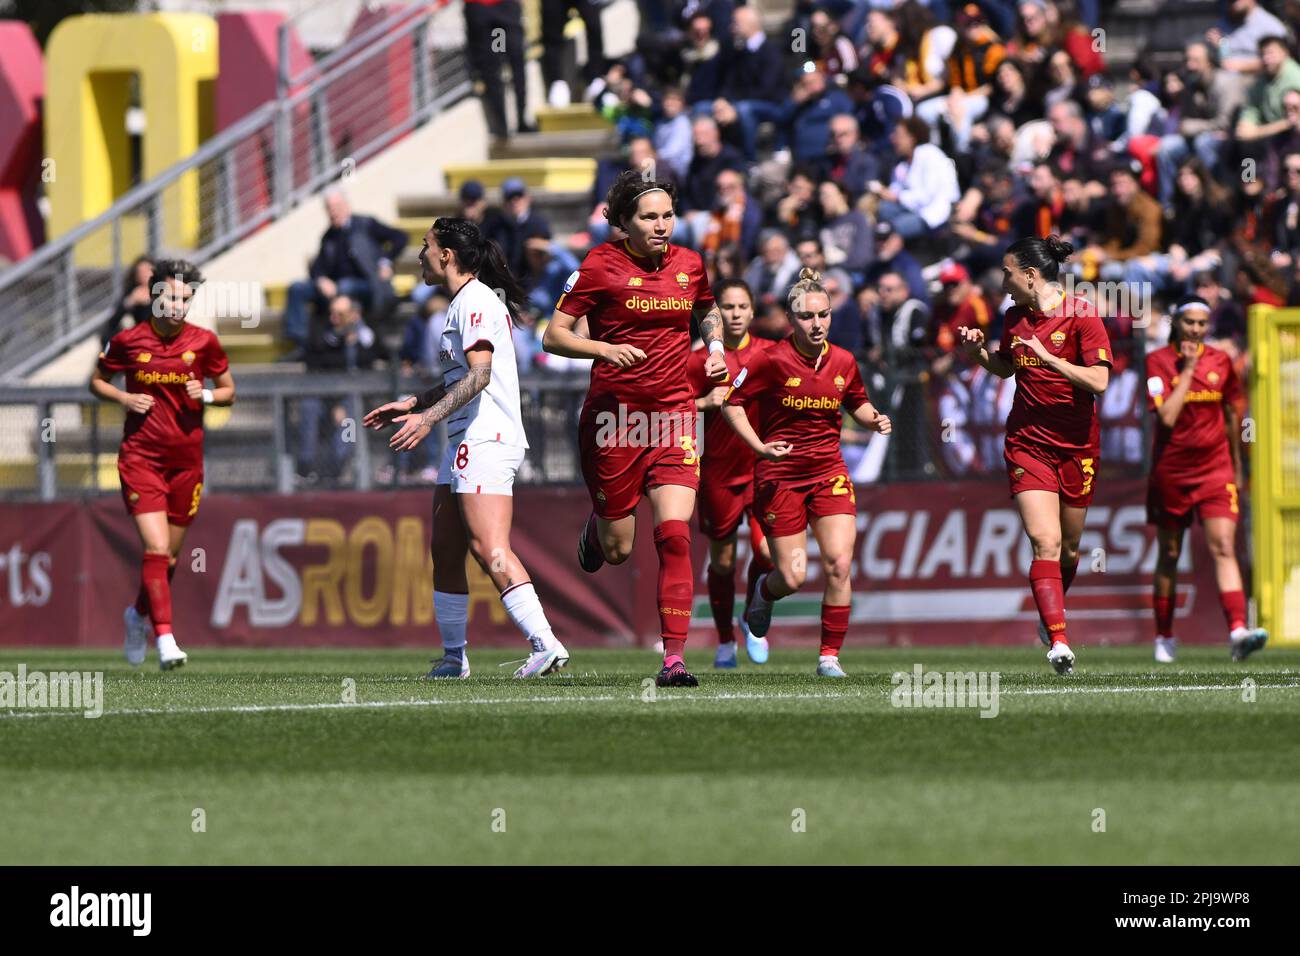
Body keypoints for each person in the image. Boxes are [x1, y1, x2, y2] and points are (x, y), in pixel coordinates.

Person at [542, 169, 729, 687]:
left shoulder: (691, 264)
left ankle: (673, 660)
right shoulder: (600, 265)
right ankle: (597, 532)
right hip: (614, 422)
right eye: (650, 217)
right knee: (620, 546)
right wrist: (603, 348)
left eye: (668, 215)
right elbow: (551, 336)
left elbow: (708, 310)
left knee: (674, 535)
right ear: (623, 222)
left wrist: (714, 350)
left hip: (674, 416)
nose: (662, 225)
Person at [363, 218, 568, 679]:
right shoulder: (461, 304)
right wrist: (414, 401)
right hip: (462, 439)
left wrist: (426, 418)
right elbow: (461, 376)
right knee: (446, 546)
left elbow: (480, 375)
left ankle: (546, 644)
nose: (420, 255)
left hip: (486, 438)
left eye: (425, 246)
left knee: (488, 546)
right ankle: (454, 658)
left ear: (446, 255)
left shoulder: (474, 301)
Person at [722, 268, 892, 677]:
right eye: (807, 317)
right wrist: (759, 446)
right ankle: (762, 593)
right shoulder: (770, 359)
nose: (817, 324)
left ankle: (829, 657)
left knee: (838, 564)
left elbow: (857, 402)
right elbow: (732, 403)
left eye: (824, 315)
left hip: (829, 471)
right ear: (790, 319)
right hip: (781, 477)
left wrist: (873, 420)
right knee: (793, 576)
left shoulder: (844, 360)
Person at [956, 235, 1111, 675]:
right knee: (1044, 540)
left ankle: (1053, 608)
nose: (1002, 282)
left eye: (1007, 273)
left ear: (1030, 274)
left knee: (1069, 548)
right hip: (1027, 442)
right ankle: (1059, 641)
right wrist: (978, 355)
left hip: (1078, 446)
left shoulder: (1083, 317)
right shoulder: (1013, 317)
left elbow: (1099, 382)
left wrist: (1050, 357)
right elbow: (1009, 365)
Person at [89, 259, 235, 670]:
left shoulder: (204, 342)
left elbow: (228, 391)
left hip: (186, 463)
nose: (177, 304)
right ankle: (165, 639)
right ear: (154, 295)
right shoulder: (128, 340)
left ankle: (136, 616)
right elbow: (97, 380)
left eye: (185, 298)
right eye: (170, 296)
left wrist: (204, 395)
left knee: (167, 559)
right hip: (141, 458)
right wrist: (124, 398)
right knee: (154, 548)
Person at [1145, 297, 1268, 662]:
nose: (1196, 330)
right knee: (1169, 554)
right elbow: (1166, 416)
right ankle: (1164, 635)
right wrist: (1189, 370)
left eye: (1202, 324)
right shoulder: (1157, 362)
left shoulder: (1222, 361)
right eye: (1190, 323)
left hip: (1215, 470)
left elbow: (1231, 413)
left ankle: (1237, 631)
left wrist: (1236, 464)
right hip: (1171, 472)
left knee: (1224, 547)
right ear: (1177, 323)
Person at [686, 279, 774, 668]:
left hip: (762, 470)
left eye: (742, 307)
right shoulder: (699, 359)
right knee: (722, 563)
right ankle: (725, 641)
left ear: (753, 311)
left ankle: (753, 617)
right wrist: (706, 401)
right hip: (718, 473)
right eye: (728, 308)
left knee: (769, 554)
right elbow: (673, 406)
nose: (736, 314)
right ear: (714, 315)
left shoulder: (771, 356)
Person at [282, 190, 408, 355]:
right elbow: (317, 267)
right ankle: (300, 342)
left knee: (345, 285)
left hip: (367, 284)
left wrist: (386, 262)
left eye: (336, 206)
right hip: (335, 286)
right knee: (297, 289)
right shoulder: (328, 236)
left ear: (347, 207)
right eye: (329, 208)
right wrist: (320, 279)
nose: (333, 211)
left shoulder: (366, 224)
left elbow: (400, 237)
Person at [99, 255, 154, 347]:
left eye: (147, 270)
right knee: (108, 336)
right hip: (138, 338)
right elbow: (114, 321)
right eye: (140, 272)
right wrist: (131, 301)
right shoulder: (132, 292)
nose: (144, 274)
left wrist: (149, 302)